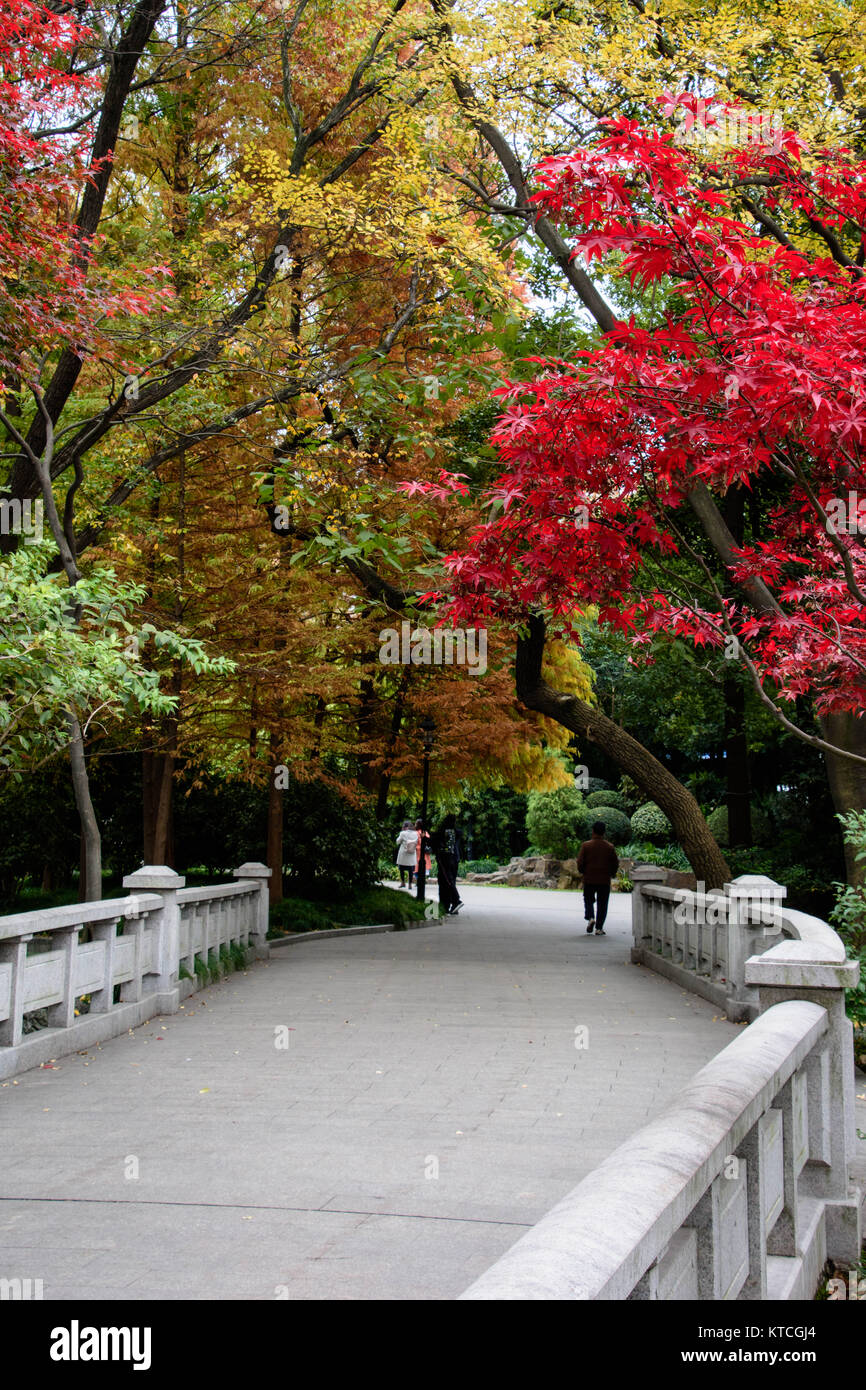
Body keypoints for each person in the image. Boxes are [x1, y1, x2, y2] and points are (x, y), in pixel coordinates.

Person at [577, 820, 619, 936]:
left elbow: (580, 862)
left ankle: (591, 917)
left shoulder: (586, 846)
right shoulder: (609, 847)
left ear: (593, 831)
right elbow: (615, 863)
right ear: (604, 832)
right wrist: (612, 873)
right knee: (603, 903)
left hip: (589, 878)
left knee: (588, 899)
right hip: (604, 879)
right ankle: (599, 928)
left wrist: (583, 871)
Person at [429, 813, 464, 915]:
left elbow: (434, 841)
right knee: (451, 880)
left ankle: (453, 902)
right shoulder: (456, 832)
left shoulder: (444, 832)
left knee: (445, 881)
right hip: (454, 859)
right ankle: (452, 904)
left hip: (445, 859)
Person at [396, 820, 418, 889]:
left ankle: (403, 883)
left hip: (403, 854)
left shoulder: (402, 833)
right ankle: (410, 884)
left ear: (404, 827)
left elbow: (397, 842)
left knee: (401, 869)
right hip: (412, 853)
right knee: (411, 870)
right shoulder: (416, 833)